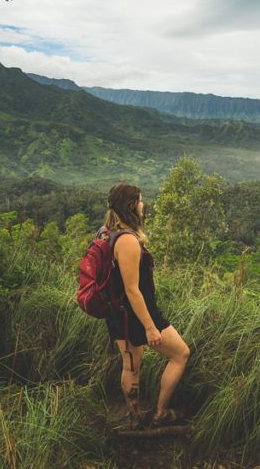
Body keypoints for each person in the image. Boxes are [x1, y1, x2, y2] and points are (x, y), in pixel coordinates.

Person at [103, 183, 191, 428]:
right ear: (132, 205)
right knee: (181, 354)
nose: (143, 205)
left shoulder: (107, 233)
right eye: (140, 201)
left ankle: (134, 418)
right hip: (138, 313)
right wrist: (150, 327)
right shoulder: (128, 241)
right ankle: (160, 412)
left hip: (119, 313)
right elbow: (133, 289)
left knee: (131, 365)